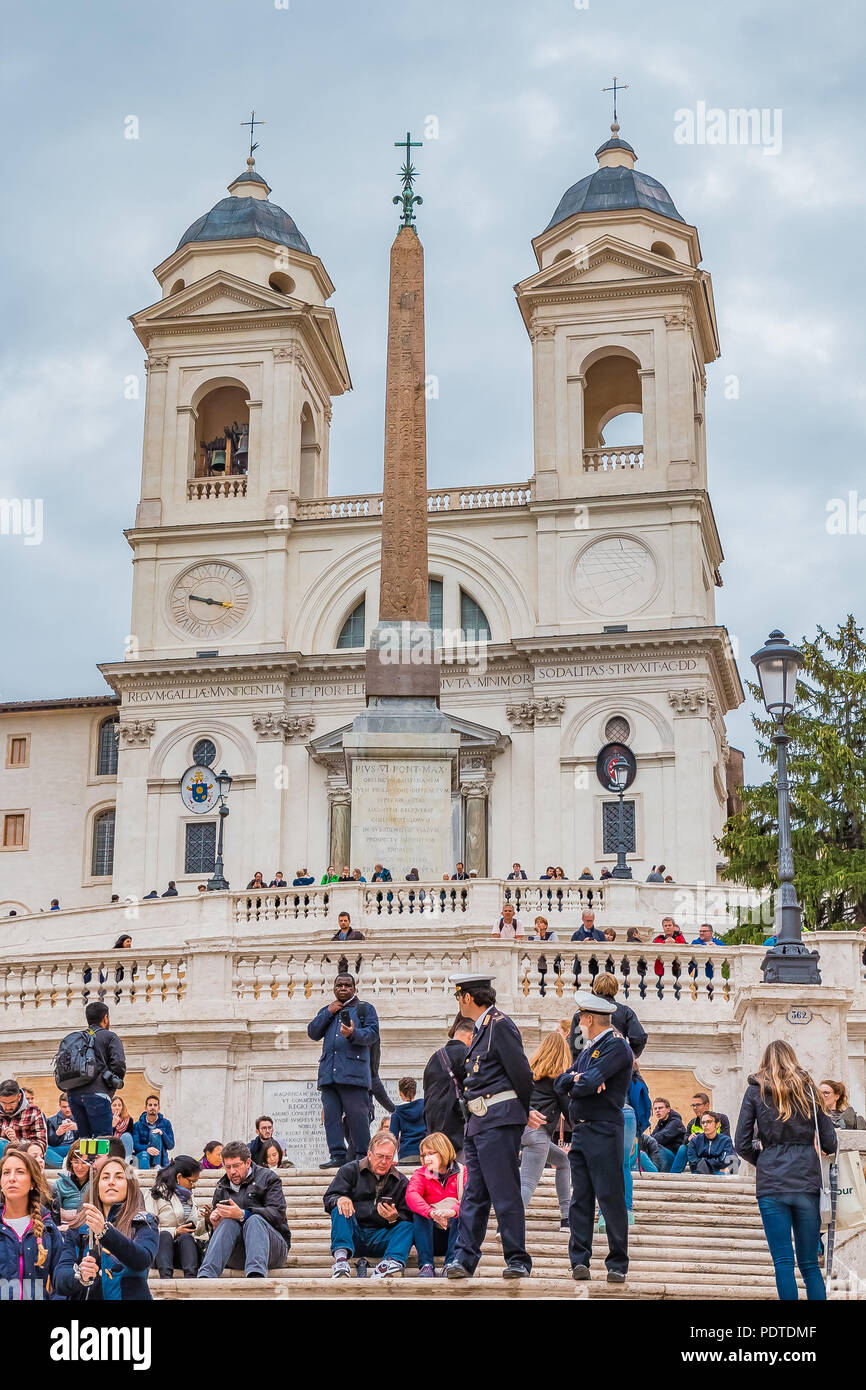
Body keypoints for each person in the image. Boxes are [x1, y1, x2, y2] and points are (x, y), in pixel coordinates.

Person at [446, 971, 533, 1280]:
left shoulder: (500, 1026)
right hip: (477, 1123)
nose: (458, 1002)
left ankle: (517, 1258)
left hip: (498, 1121)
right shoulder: (483, 1029)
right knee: (474, 1194)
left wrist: (522, 1112)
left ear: (468, 998)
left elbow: (521, 1072)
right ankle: (464, 1258)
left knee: (504, 1192)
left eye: (459, 997)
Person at [735, 1040, 837, 1301]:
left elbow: (741, 1143)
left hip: (771, 1183)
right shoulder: (810, 1091)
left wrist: (765, 1160)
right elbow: (830, 1142)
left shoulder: (754, 1091)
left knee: (782, 1261)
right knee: (810, 1264)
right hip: (806, 1181)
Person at [555, 989, 633, 1283]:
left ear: (589, 1018)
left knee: (610, 1196)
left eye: (581, 1019)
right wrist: (577, 1079)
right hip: (584, 1130)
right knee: (581, 1199)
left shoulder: (615, 1046)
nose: (579, 1025)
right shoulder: (589, 1050)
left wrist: (579, 1081)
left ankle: (617, 1263)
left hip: (603, 1128)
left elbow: (585, 1083)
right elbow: (561, 1082)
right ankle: (579, 1259)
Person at [56, 1156, 159, 1301]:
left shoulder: (144, 1222)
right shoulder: (79, 1227)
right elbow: (60, 1279)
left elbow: (142, 1260)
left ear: (130, 1185)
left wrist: (105, 1232)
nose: (111, 1182)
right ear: (97, 1186)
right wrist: (80, 1276)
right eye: (105, 1177)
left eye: (119, 1177)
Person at [307, 973, 379, 1168]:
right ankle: (337, 1154)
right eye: (340, 985)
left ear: (354, 988)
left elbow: (372, 1035)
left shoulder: (365, 1009)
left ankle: (363, 1155)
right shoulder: (327, 1010)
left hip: (353, 1074)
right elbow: (313, 1032)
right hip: (329, 1074)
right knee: (331, 1118)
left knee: (358, 1117)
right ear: (334, 988)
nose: (344, 988)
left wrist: (353, 1033)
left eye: (348, 985)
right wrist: (328, 1012)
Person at [324, 1130, 413, 1278]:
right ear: (369, 1154)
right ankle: (341, 1260)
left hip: (381, 1236)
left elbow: (408, 1215)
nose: (384, 1162)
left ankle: (392, 1262)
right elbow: (329, 1199)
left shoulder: (401, 1181)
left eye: (388, 1157)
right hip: (353, 1235)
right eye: (380, 1156)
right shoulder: (350, 1170)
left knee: (408, 1226)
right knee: (340, 1207)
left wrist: (394, 1218)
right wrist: (339, 1199)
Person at [197, 1140, 290, 1277]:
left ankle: (255, 1277)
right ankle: (206, 1276)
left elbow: (277, 1214)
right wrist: (215, 1224)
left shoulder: (269, 1178)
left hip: (272, 1249)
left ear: (247, 1162)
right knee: (227, 1223)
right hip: (238, 1253)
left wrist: (243, 1214)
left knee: (254, 1220)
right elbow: (219, 1236)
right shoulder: (221, 1187)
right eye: (227, 1167)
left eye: (236, 1166)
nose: (232, 1171)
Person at [520, 1030, 572, 1227]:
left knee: (563, 1161)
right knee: (527, 1183)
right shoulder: (559, 1079)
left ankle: (566, 1217)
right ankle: (508, 1226)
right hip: (538, 1132)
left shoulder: (529, 1074)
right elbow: (568, 1111)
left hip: (520, 1130)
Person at [0, 1147, 63, 1299]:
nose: (12, 1178)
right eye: (6, 1172)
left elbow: (60, 1282)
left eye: (20, 1172)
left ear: (33, 1183)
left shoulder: (48, 1228)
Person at [57, 1000, 126, 1140]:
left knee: (84, 1139)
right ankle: (101, 1161)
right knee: (103, 1139)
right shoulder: (109, 1036)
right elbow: (118, 1064)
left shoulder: (75, 1038)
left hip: (73, 1095)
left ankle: (86, 1160)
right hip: (98, 1095)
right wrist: (112, 1081)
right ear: (105, 1018)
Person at [407, 1132, 465, 1275]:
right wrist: (431, 1213)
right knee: (420, 1214)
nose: (426, 1158)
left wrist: (451, 1212)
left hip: (457, 1237)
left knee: (463, 1212)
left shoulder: (463, 1172)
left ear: (443, 1150)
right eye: (423, 1155)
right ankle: (426, 1264)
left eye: (430, 1153)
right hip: (432, 1237)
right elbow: (411, 1195)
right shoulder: (420, 1174)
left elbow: (470, 1199)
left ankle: (451, 1263)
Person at [146, 1155, 207, 1278]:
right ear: (179, 1177)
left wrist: (208, 1221)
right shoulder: (154, 1195)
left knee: (186, 1237)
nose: (193, 1186)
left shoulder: (188, 1197)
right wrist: (174, 1231)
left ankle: (191, 1278)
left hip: (183, 1253)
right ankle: (166, 1278)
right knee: (164, 1236)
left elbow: (192, 1229)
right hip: (161, 1253)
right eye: (191, 1181)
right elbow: (147, 1229)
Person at [422, 1015, 473, 1153]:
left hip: (433, 1129)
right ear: (471, 1037)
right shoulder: (467, 1054)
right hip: (456, 1128)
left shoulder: (435, 1057)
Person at [566, 972, 647, 1060]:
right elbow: (639, 1038)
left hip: (590, 1064)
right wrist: (628, 1057)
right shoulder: (625, 1012)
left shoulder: (581, 1013)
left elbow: (575, 1048)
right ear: (615, 989)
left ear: (595, 988)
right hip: (616, 1062)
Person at [669, 1093, 731, 1173]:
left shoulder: (721, 1119)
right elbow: (684, 1140)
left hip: (715, 1152)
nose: (695, 1108)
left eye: (698, 1105)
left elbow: (726, 1138)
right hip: (698, 1156)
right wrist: (689, 1138)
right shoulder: (692, 1123)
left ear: (707, 1105)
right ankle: (674, 1176)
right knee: (683, 1148)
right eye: (693, 1105)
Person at [0, 1079, 47, 1157]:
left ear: (19, 1097)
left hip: (25, 1158)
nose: (7, 1107)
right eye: (3, 1103)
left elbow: (41, 1146)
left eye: (12, 1103)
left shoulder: (34, 1112)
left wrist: (16, 1141)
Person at [132, 1095, 175, 1170]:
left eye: (155, 1105)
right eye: (150, 1105)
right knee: (144, 1155)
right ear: (145, 1108)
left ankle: (156, 1164)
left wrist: (162, 1133)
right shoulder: (137, 1125)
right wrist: (147, 1148)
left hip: (161, 1158)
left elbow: (171, 1145)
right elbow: (135, 1145)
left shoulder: (166, 1123)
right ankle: (145, 1178)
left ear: (158, 1108)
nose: (152, 1107)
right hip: (143, 1155)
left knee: (155, 1133)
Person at [389, 1078, 426, 1163]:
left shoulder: (397, 1112)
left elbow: (392, 1138)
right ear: (415, 1092)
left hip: (405, 1154)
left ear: (400, 1093)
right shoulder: (424, 1106)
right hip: (424, 1152)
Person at [54, 1141, 92, 1222]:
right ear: (70, 1162)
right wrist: (63, 1213)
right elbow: (54, 1210)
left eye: (84, 1162)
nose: (79, 1167)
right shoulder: (59, 1183)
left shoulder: (96, 1183)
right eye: (76, 1162)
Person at [650, 1098, 686, 1172]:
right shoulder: (661, 1122)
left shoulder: (676, 1122)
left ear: (668, 1109)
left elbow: (661, 1137)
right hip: (664, 1157)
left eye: (660, 1108)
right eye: (655, 1108)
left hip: (674, 1158)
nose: (657, 1111)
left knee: (654, 1145)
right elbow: (653, 1138)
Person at [45, 1093, 78, 1168]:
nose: (67, 1109)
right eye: (64, 1107)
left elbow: (88, 1136)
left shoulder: (80, 1118)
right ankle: (66, 1165)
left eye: (70, 1106)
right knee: (44, 1149)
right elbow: (50, 1142)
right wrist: (57, 1134)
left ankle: (65, 1165)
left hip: (73, 1148)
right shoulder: (51, 1120)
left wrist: (78, 1128)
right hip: (57, 1149)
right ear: (59, 1105)